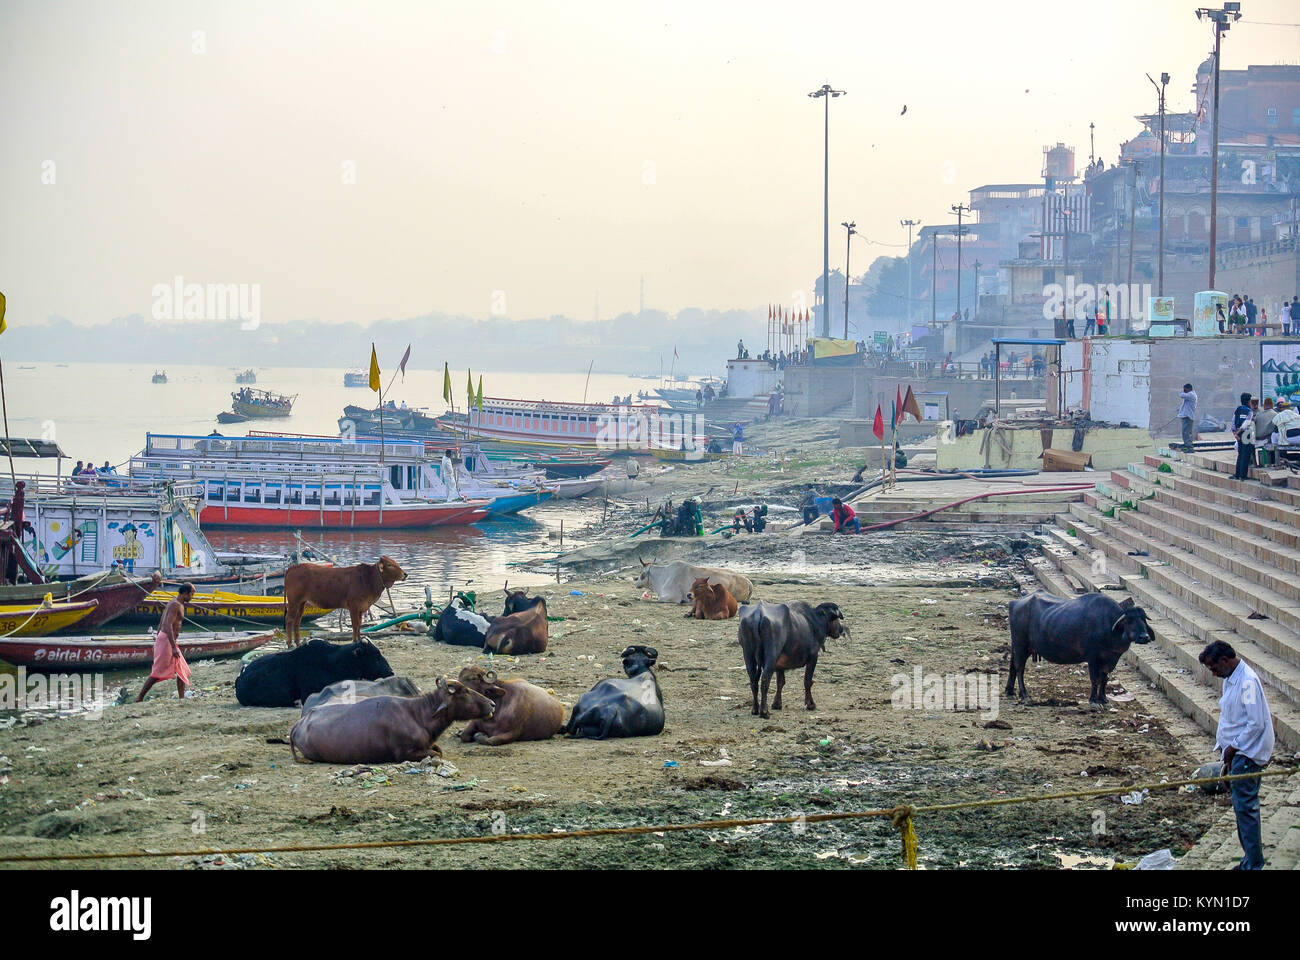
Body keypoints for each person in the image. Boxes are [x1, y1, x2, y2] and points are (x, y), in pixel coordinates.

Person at [1198, 640, 1274, 870]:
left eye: (1214, 668)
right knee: (1241, 810)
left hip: (1247, 753)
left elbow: (1256, 724)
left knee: (1246, 809)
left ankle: (1254, 865)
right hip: (1235, 753)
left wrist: (1233, 747)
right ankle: (1249, 861)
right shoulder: (1230, 679)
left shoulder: (1248, 683)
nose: (1213, 673)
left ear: (1225, 661)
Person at [136, 583, 195, 702]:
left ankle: (181, 698)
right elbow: (166, 624)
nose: (192, 597)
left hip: (167, 639)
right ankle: (139, 697)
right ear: (185, 593)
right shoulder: (175, 605)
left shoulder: (175, 603)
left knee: (182, 669)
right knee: (157, 671)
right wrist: (171, 646)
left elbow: (161, 622)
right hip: (168, 640)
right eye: (191, 594)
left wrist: (159, 640)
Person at [1232, 392, 1254, 481]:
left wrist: (1235, 433)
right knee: (1246, 455)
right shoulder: (1249, 411)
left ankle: (1237, 474)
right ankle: (1243, 475)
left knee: (1240, 454)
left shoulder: (1238, 410)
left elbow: (1233, 422)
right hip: (1245, 433)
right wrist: (1239, 431)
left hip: (1238, 434)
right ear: (1249, 401)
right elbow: (1247, 423)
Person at [1253, 398, 1276, 467]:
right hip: (1268, 439)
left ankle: (1256, 463)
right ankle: (1275, 462)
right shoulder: (1275, 414)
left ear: (1264, 405)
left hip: (1257, 439)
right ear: (1272, 405)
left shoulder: (1258, 414)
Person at [1178, 383, 1198, 451]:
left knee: (1187, 432)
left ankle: (1189, 447)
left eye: (1185, 389)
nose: (1184, 390)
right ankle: (1186, 444)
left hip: (1188, 416)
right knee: (1184, 432)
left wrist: (1182, 391)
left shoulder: (1191, 395)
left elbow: (1181, 395)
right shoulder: (1189, 395)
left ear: (1189, 389)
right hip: (1186, 416)